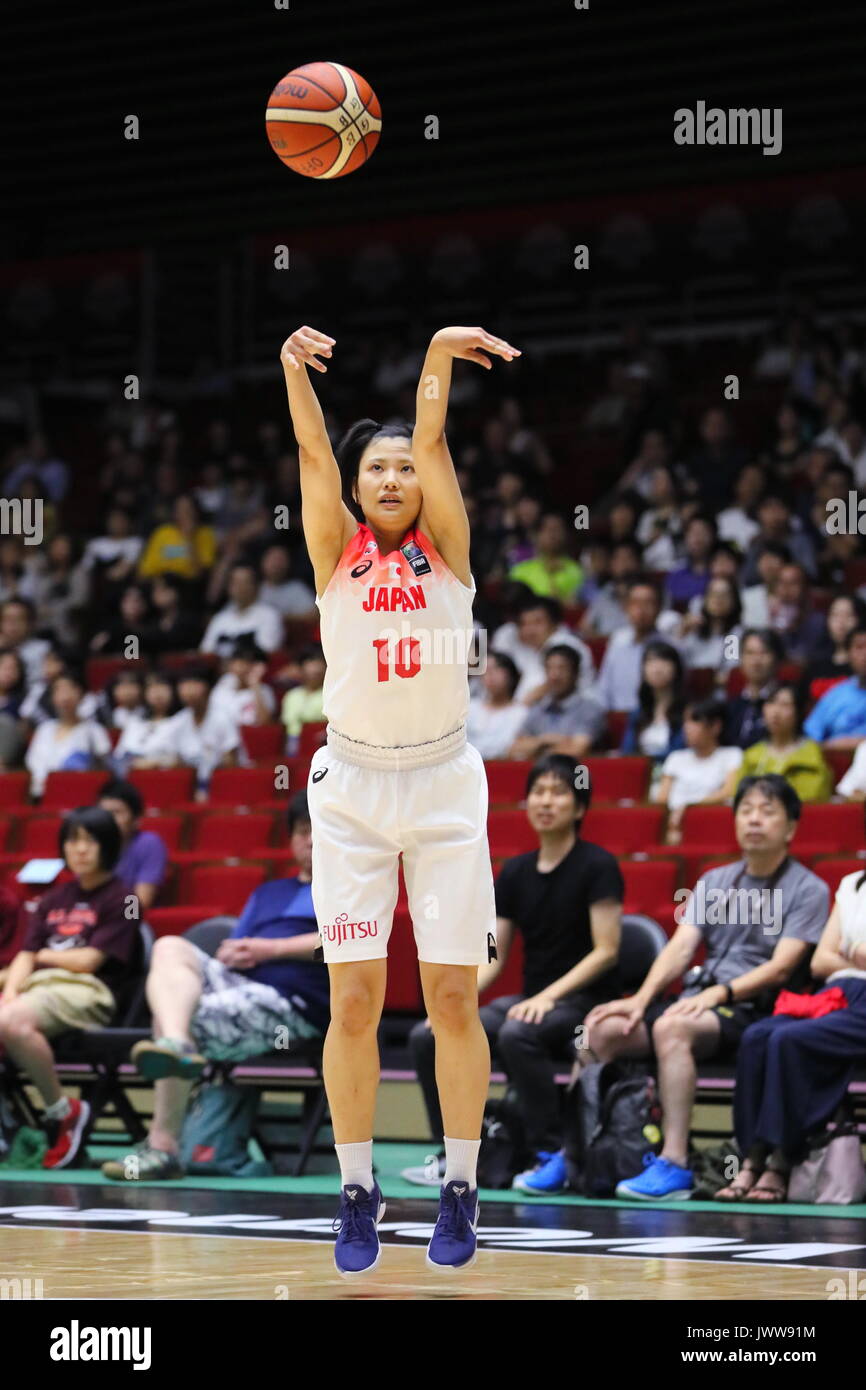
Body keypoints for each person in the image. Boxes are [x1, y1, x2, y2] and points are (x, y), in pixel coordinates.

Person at [281, 320, 519, 1274]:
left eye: (403, 469)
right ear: (356, 485)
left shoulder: (448, 551)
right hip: (350, 790)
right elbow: (311, 450)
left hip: (445, 784)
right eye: (374, 468)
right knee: (353, 1003)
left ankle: (460, 1185)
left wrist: (435, 356)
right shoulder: (334, 550)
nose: (391, 477)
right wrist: (292, 370)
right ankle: (356, 1190)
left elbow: (433, 435)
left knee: (453, 997)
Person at [583, 775, 828, 1200]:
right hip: (700, 1000)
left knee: (672, 1028)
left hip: (756, 1009)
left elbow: (780, 968)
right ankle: (589, 1154)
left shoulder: (809, 889)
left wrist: (720, 994)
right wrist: (639, 1000)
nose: (754, 820)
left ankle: (674, 1161)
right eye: (746, 810)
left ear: (790, 827)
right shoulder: (715, 881)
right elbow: (681, 949)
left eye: (767, 811)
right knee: (599, 1031)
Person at [404, 754, 622, 1195]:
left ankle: (551, 1152)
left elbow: (607, 951)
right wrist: (456, 1002)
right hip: (531, 1000)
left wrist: (548, 997)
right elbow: (495, 955)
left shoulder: (598, 865)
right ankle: (459, 1149)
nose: (546, 801)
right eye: (538, 792)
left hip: (585, 1003)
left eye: (558, 792)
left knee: (516, 1033)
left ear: (579, 807)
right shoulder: (516, 871)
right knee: (430, 1035)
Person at [101, 792, 328, 1181]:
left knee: (178, 1016)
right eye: (301, 831)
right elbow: (234, 948)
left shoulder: (348, 890)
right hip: (241, 983)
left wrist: (269, 949)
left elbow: (345, 940)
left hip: (294, 1005)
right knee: (169, 946)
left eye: (318, 831)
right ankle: (176, 1045)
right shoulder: (267, 892)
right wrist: (234, 952)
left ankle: (162, 1147)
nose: (309, 840)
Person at [0, 806, 142, 1168]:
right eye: (72, 840)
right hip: (37, 989)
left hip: (88, 992)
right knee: (7, 1014)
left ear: (108, 845)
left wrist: (42, 956)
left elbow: (89, 961)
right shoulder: (52, 899)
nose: (80, 849)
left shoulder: (125, 899)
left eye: (90, 841)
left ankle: (62, 1112)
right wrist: (11, 993)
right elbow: (24, 956)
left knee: (11, 1021)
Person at [718, 856, 866, 1202]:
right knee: (757, 1036)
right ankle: (752, 1158)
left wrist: (850, 947)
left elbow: (837, 954)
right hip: (836, 993)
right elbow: (820, 962)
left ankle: (782, 1162)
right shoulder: (853, 883)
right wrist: (856, 952)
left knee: (790, 1040)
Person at [655, 699, 743, 846]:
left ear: (715, 726)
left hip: (712, 825)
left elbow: (729, 791)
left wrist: (688, 808)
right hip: (673, 826)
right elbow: (662, 799)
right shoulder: (675, 758)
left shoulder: (732, 755)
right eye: (686, 721)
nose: (687, 727)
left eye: (695, 721)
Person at [724, 684, 832, 804]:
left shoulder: (811, 753)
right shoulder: (752, 754)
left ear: (798, 712)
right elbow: (739, 797)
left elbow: (815, 797)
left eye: (785, 705)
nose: (775, 712)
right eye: (771, 703)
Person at [594, 577, 680, 712]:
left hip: (654, 717)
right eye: (635, 603)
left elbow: (678, 691)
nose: (641, 610)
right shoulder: (617, 642)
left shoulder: (672, 646)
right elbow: (603, 689)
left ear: (659, 607)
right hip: (616, 716)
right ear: (625, 607)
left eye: (648, 603)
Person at [491, 594, 597, 702]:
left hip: (575, 706)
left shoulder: (566, 644)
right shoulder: (535, 648)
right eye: (525, 623)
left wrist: (517, 708)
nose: (530, 630)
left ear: (555, 623)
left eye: (538, 622)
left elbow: (550, 683)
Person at [508, 645, 605, 761]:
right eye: (549, 668)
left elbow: (578, 750)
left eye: (562, 668)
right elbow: (514, 750)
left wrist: (535, 748)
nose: (554, 675)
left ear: (576, 673)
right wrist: (544, 740)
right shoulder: (537, 709)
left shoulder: (589, 709)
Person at [25, 672, 112, 798]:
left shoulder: (95, 731)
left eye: (70, 689)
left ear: (81, 694)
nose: (64, 697)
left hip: (80, 795)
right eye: (59, 690)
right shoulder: (44, 729)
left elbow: (103, 768)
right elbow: (32, 765)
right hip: (42, 796)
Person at [160, 666, 240, 795]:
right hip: (190, 787)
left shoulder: (223, 718)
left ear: (207, 688)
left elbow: (231, 762)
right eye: (184, 685)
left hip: (222, 785)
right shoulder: (177, 722)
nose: (188, 691)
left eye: (194, 684)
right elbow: (176, 762)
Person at [97, 778, 168, 913]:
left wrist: (105, 914)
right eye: (103, 813)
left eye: (116, 812)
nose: (108, 819)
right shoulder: (93, 845)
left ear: (136, 819)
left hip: (130, 920)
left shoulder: (149, 843)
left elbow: (139, 904)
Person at [200, 562, 284, 659]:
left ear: (256, 586)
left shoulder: (269, 615)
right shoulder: (219, 618)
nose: (239, 587)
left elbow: (266, 651)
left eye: (244, 582)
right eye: (235, 583)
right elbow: (206, 651)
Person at [620, 640, 686, 762]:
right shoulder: (637, 714)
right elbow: (627, 752)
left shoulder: (687, 712)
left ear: (676, 668)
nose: (657, 669)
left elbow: (681, 753)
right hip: (641, 770)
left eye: (664, 660)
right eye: (651, 661)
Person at [804, 625, 866, 748]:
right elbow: (811, 736)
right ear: (848, 654)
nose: (865, 654)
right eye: (859, 647)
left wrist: (854, 744)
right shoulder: (836, 693)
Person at [800, 593, 866, 703]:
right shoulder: (815, 664)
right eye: (835, 615)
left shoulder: (862, 667)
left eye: (849, 615)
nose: (841, 622)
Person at [724, 628, 783, 748]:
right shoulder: (731, 707)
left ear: (776, 659)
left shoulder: (785, 705)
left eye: (764, 652)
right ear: (741, 660)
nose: (756, 661)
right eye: (750, 653)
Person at [137, 494, 217, 582]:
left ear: (196, 512)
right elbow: (145, 570)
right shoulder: (163, 532)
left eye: (188, 509)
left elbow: (200, 573)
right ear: (174, 513)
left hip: (188, 583)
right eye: (180, 509)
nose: (185, 514)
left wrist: (189, 538)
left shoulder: (205, 534)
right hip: (159, 580)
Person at [111, 670, 179, 772]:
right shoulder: (135, 723)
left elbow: (184, 758)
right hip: (133, 777)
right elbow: (119, 757)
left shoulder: (180, 721)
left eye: (163, 687)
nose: (157, 693)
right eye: (152, 688)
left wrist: (155, 762)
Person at [507, 512, 583, 603]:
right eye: (547, 529)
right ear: (536, 535)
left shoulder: (577, 572)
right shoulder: (519, 571)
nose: (552, 535)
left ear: (566, 534)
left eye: (557, 529)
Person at [466, 651, 528, 760]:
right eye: (486, 671)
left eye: (495, 669)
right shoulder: (470, 707)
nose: (490, 676)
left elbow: (508, 747)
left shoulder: (521, 713)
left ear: (510, 674)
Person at [211, 638, 277, 729]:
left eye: (250, 664)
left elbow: (265, 725)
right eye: (241, 663)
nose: (245, 668)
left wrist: (255, 687)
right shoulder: (225, 683)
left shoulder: (265, 691)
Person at [280, 643, 326, 753]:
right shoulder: (291, 695)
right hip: (293, 743)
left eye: (320, 661)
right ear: (300, 667)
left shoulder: (330, 694)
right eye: (311, 661)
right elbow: (285, 727)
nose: (316, 668)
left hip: (321, 745)